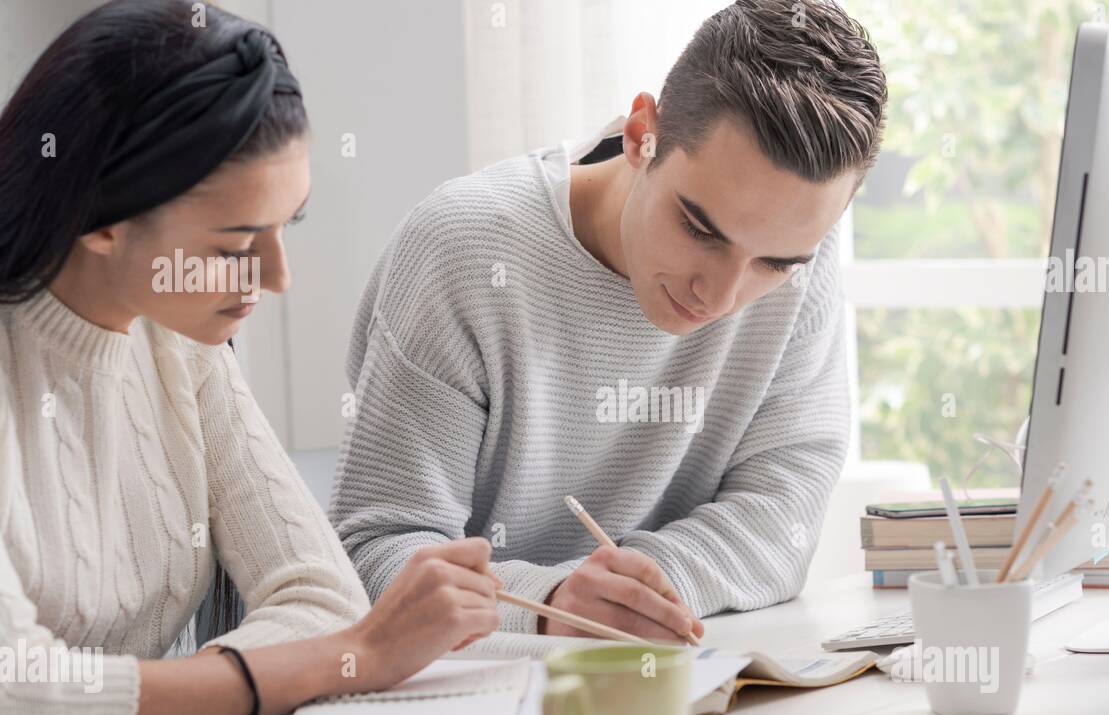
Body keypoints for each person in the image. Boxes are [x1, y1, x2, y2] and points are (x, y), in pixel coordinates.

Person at [0, 0, 498, 715]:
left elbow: (320, 596)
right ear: (100, 214)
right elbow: (16, 710)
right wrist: (348, 659)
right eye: (236, 245)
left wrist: (296, 663)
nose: (276, 277)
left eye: (285, 226)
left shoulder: (177, 337)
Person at [329, 0, 886, 642]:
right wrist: (555, 603)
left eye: (774, 262)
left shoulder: (799, 263)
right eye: (700, 229)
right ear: (640, 133)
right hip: (478, 702)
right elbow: (373, 551)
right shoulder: (464, 249)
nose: (722, 295)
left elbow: (781, 521)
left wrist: (642, 590)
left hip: (677, 680)